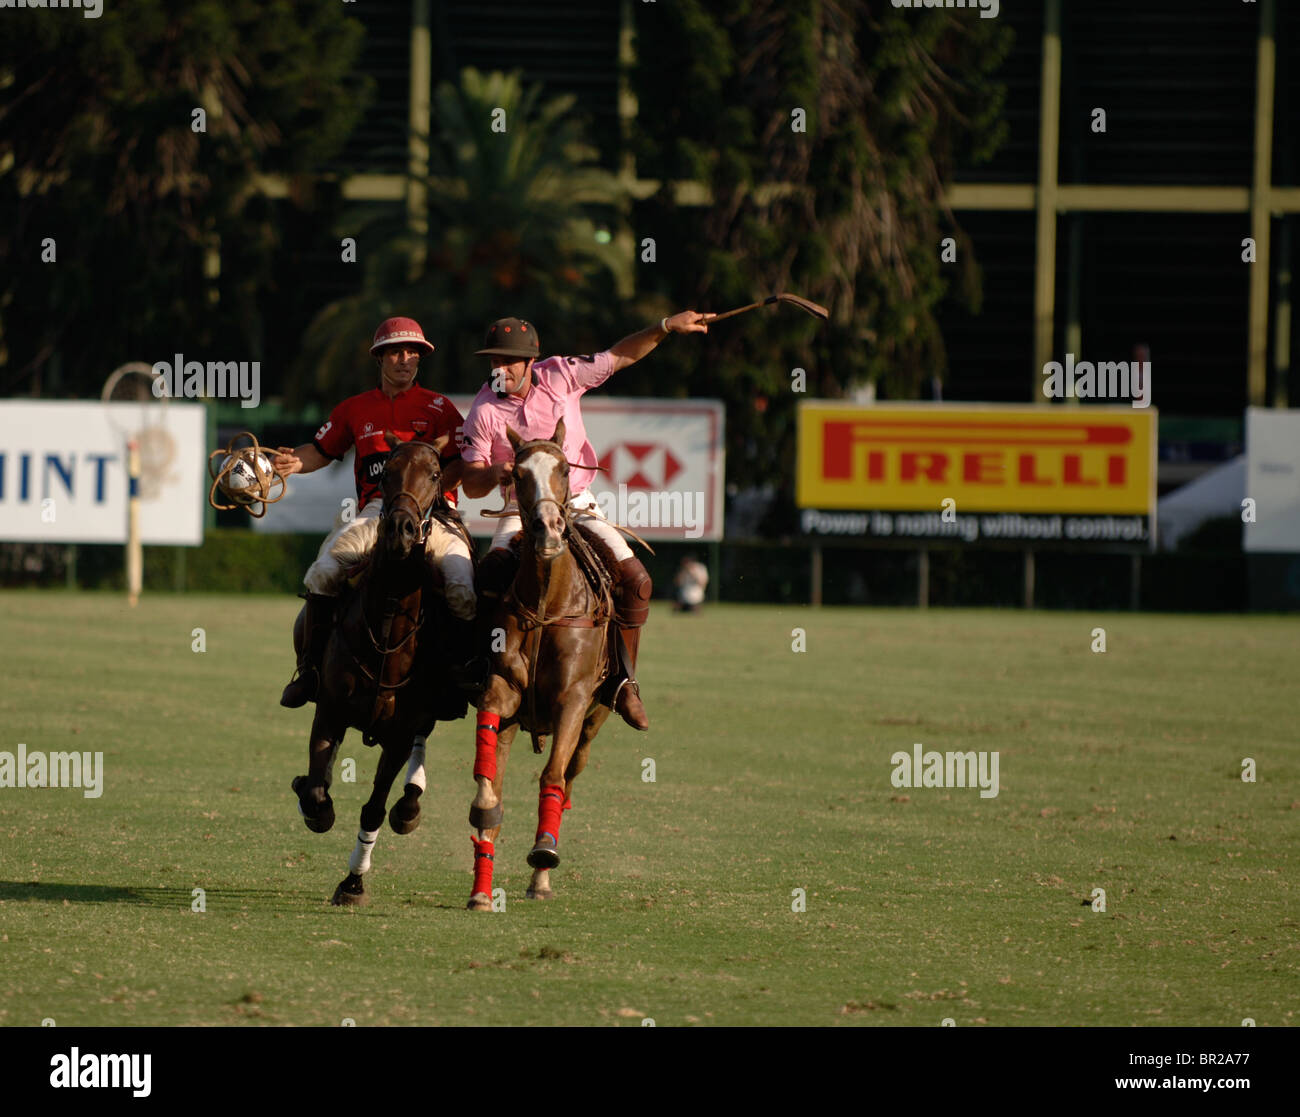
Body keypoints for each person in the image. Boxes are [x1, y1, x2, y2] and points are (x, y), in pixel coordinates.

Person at [460, 311, 713, 730]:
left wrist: (666, 327)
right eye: (493, 361)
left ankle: (623, 682)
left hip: (576, 502)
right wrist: (492, 474)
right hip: (519, 512)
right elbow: (470, 483)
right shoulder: (484, 407)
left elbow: (621, 356)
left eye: (507, 361)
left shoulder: (562, 373)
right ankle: (481, 667)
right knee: (488, 577)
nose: (499, 369)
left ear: (529, 362)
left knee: (636, 581)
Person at [272, 316, 476, 708]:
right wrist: (292, 463)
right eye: (396, 352)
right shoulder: (355, 408)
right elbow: (321, 450)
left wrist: (430, 492)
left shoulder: (439, 408)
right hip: (376, 511)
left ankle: (461, 672)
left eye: (413, 353)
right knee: (323, 573)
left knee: (463, 584)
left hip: (433, 513)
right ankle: (310, 672)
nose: (405, 360)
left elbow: (461, 463)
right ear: (379, 358)